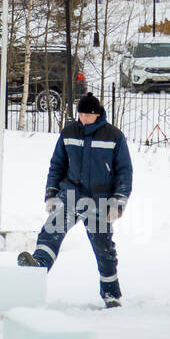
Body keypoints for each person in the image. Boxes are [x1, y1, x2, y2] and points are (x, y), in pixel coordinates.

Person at [18, 92, 132, 308]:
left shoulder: (114, 136)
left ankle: (111, 294)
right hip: (71, 193)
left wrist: (118, 201)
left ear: (96, 115)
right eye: (79, 114)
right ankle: (37, 267)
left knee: (103, 245)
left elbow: (124, 172)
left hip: (100, 199)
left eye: (86, 115)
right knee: (51, 230)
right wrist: (51, 194)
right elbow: (57, 164)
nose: (82, 118)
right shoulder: (69, 132)